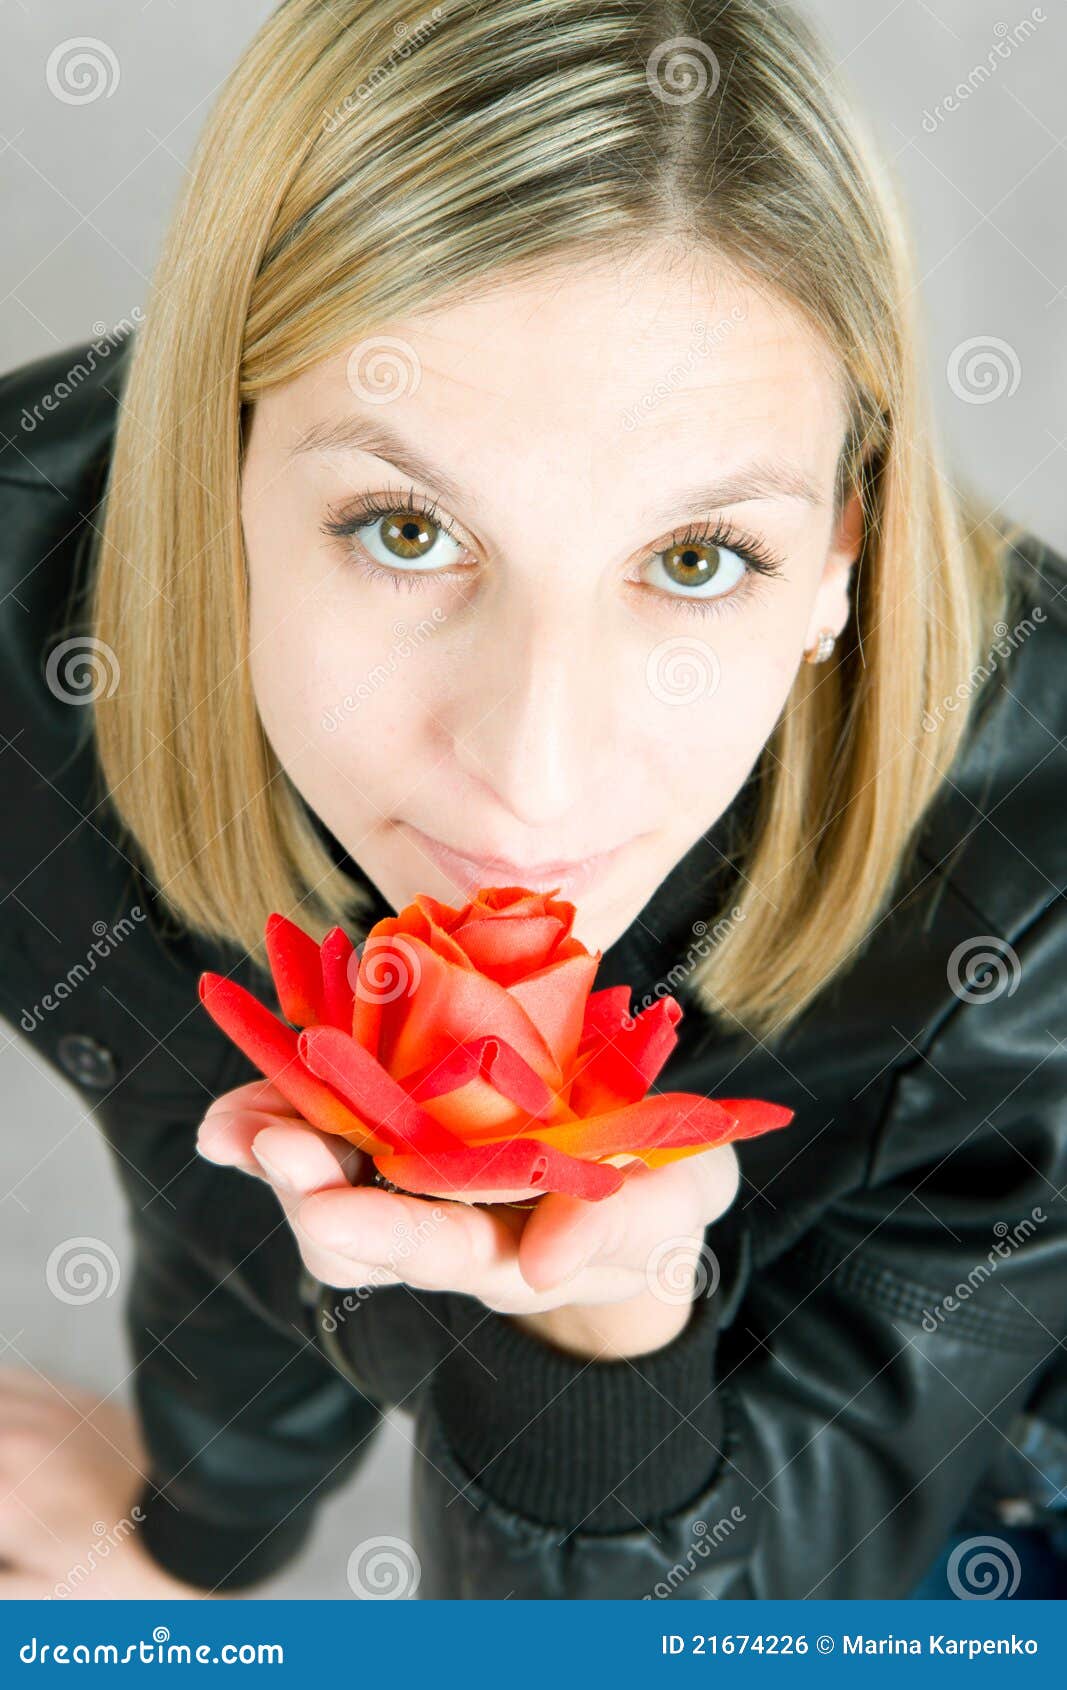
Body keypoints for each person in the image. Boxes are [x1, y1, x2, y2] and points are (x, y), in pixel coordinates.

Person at [1, 0, 1064, 1602]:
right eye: (406, 529)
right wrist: (187, 1533)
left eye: (696, 560)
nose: (532, 777)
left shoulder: (1033, 870)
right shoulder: (31, 629)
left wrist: (600, 1352)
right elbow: (194, 1136)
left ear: (842, 555)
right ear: (210, 472)